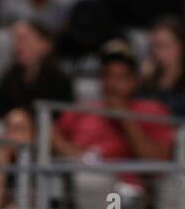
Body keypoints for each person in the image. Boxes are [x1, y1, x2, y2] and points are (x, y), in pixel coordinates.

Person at [52, 47, 173, 189]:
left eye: (120, 77)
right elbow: (49, 134)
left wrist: (126, 119)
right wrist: (82, 158)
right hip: (79, 190)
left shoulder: (151, 111)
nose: (112, 84)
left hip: (126, 196)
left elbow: (158, 164)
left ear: (134, 81)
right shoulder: (83, 110)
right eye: (107, 76)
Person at [0, 19, 73, 117]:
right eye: (16, 40)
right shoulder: (8, 79)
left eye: (25, 39)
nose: (19, 45)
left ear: (46, 45)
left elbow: (64, 117)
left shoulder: (60, 80)